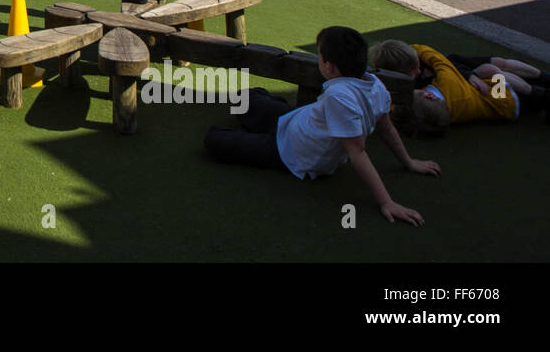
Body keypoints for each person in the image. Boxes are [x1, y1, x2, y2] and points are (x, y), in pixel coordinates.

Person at [204, 26, 441, 225]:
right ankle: (260, 122)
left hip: (292, 152)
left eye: (319, 56)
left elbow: (358, 152)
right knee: (246, 98)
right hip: (297, 122)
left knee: (214, 140)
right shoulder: (374, 82)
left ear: (329, 67)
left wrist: (387, 202)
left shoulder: (340, 98)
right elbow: (387, 129)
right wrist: (409, 162)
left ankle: (253, 133)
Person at [370, 40, 546, 134]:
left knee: (493, 69)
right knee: (495, 72)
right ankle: (541, 95)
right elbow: (433, 56)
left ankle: (540, 88)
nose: (417, 72)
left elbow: (390, 106)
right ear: (429, 96)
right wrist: (412, 49)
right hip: (503, 99)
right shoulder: (447, 82)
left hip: (494, 102)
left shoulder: (404, 107)